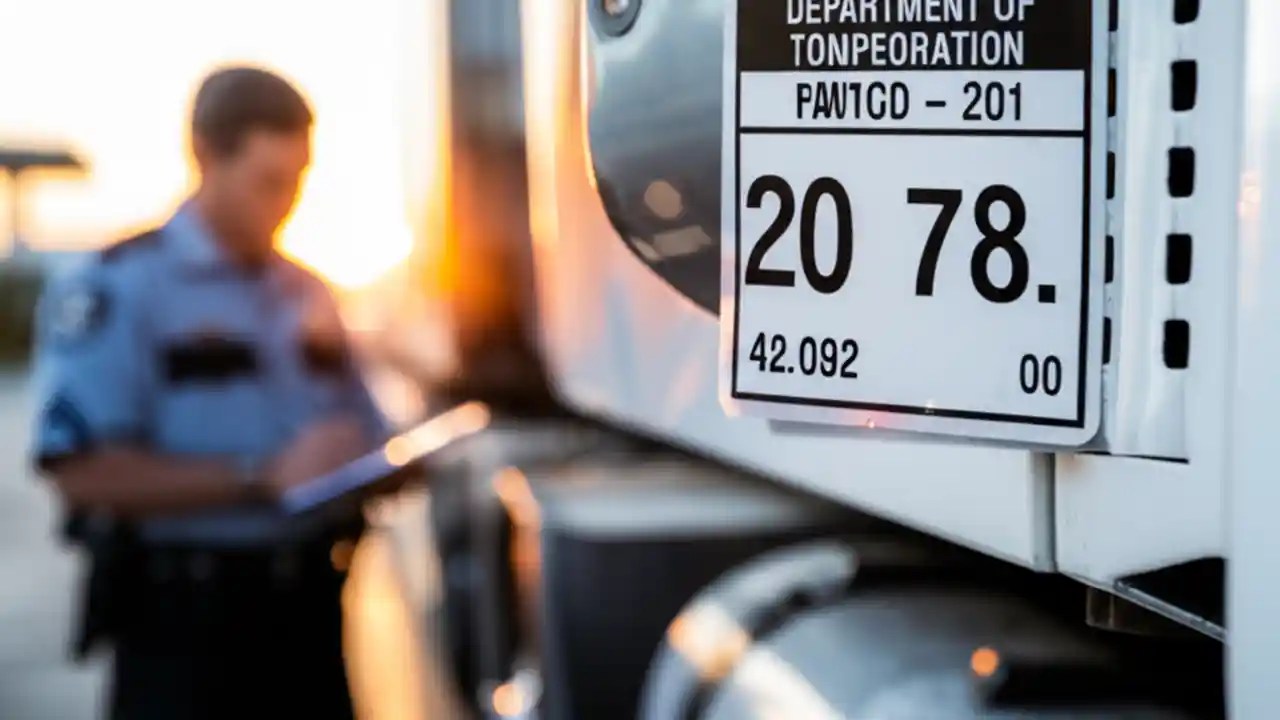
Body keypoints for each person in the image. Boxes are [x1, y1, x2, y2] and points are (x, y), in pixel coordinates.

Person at [28, 66, 388, 720]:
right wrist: (260, 476)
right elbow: (78, 470)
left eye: (301, 181)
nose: (287, 203)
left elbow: (365, 426)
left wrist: (381, 461)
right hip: (185, 635)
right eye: (269, 183)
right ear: (205, 157)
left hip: (309, 621)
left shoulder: (307, 290)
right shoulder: (120, 288)